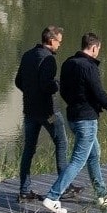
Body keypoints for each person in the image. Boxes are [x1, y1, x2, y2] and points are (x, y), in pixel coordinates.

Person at [40, 33, 107, 213]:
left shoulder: (68, 63)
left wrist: (74, 103)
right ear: (94, 48)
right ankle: (52, 197)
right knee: (78, 160)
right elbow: (99, 93)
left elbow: (63, 90)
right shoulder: (89, 67)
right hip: (87, 119)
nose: (97, 53)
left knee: (94, 154)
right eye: (98, 50)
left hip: (73, 117)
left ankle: (103, 194)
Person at [15, 26, 70, 203]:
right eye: (59, 42)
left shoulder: (27, 55)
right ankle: (65, 187)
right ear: (52, 40)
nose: (60, 45)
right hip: (48, 111)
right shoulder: (48, 60)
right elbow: (47, 85)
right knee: (61, 143)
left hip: (29, 110)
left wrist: (31, 92)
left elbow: (18, 81)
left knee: (28, 150)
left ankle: (24, 191)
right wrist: (58, 84)